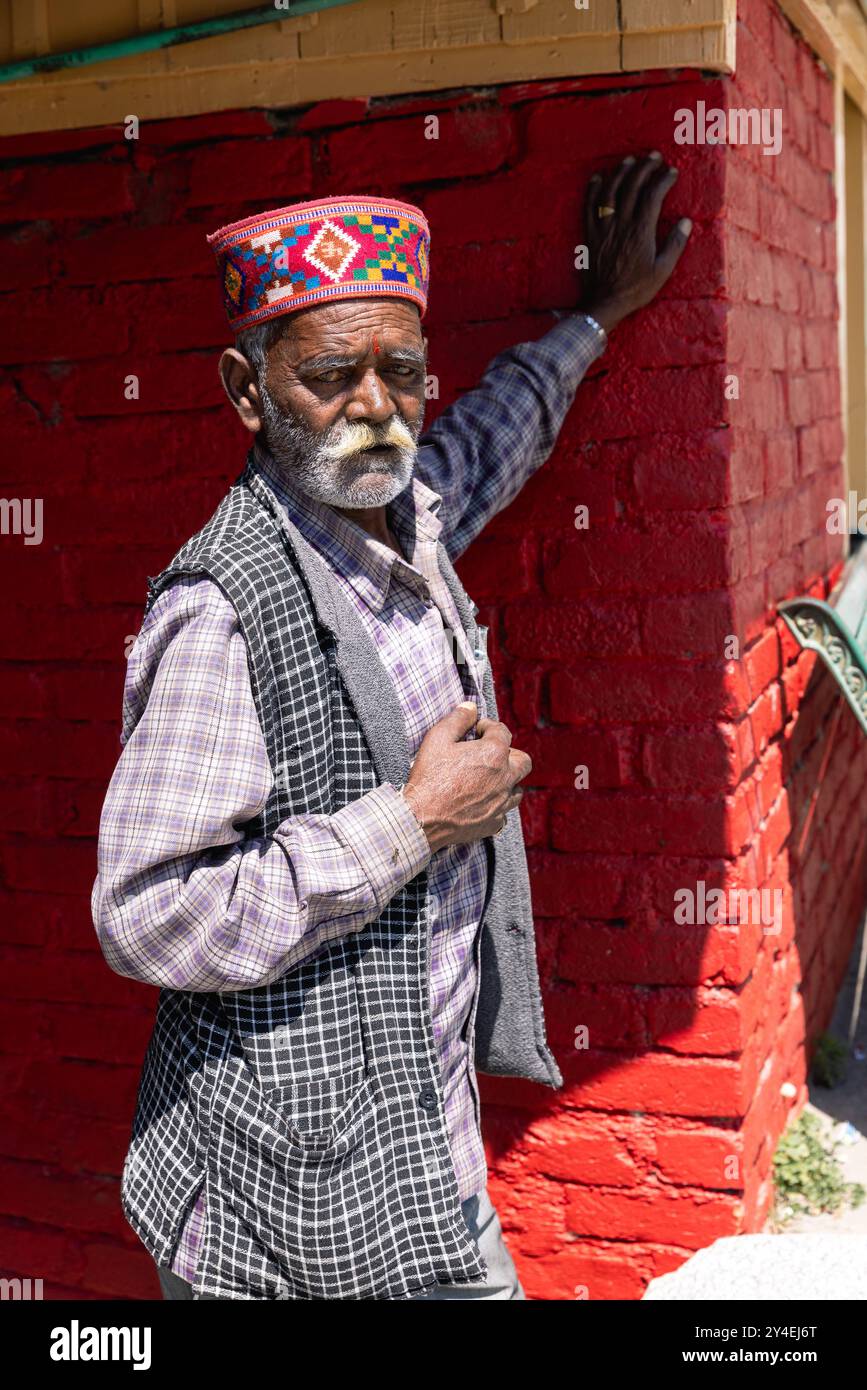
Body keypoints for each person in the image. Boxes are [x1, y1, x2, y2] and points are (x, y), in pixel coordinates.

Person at [92, 158, 690, 1300]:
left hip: (422, 1158)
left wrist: (596, 315)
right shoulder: (221, 613)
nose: (374, 407)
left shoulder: (403, 513)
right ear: (246, 388)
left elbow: (486, 444)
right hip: (282, 1212)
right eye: (329, 376)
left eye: (401, 371)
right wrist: (413, 821)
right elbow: (148, 917)